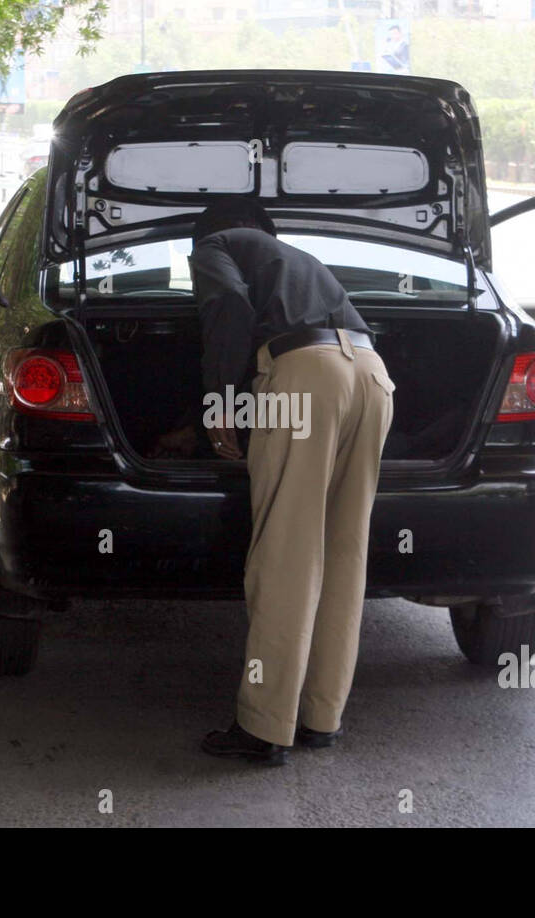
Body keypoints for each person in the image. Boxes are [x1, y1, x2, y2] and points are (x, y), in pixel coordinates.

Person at [191, 200, 395, 765]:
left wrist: (221, 401)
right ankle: (321, 715)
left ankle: (264, 725)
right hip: (372, 376)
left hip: (306, 378)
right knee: (345, 551)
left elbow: (229, 305)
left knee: (286, 551)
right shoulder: (295, 259)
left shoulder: (213, 246)